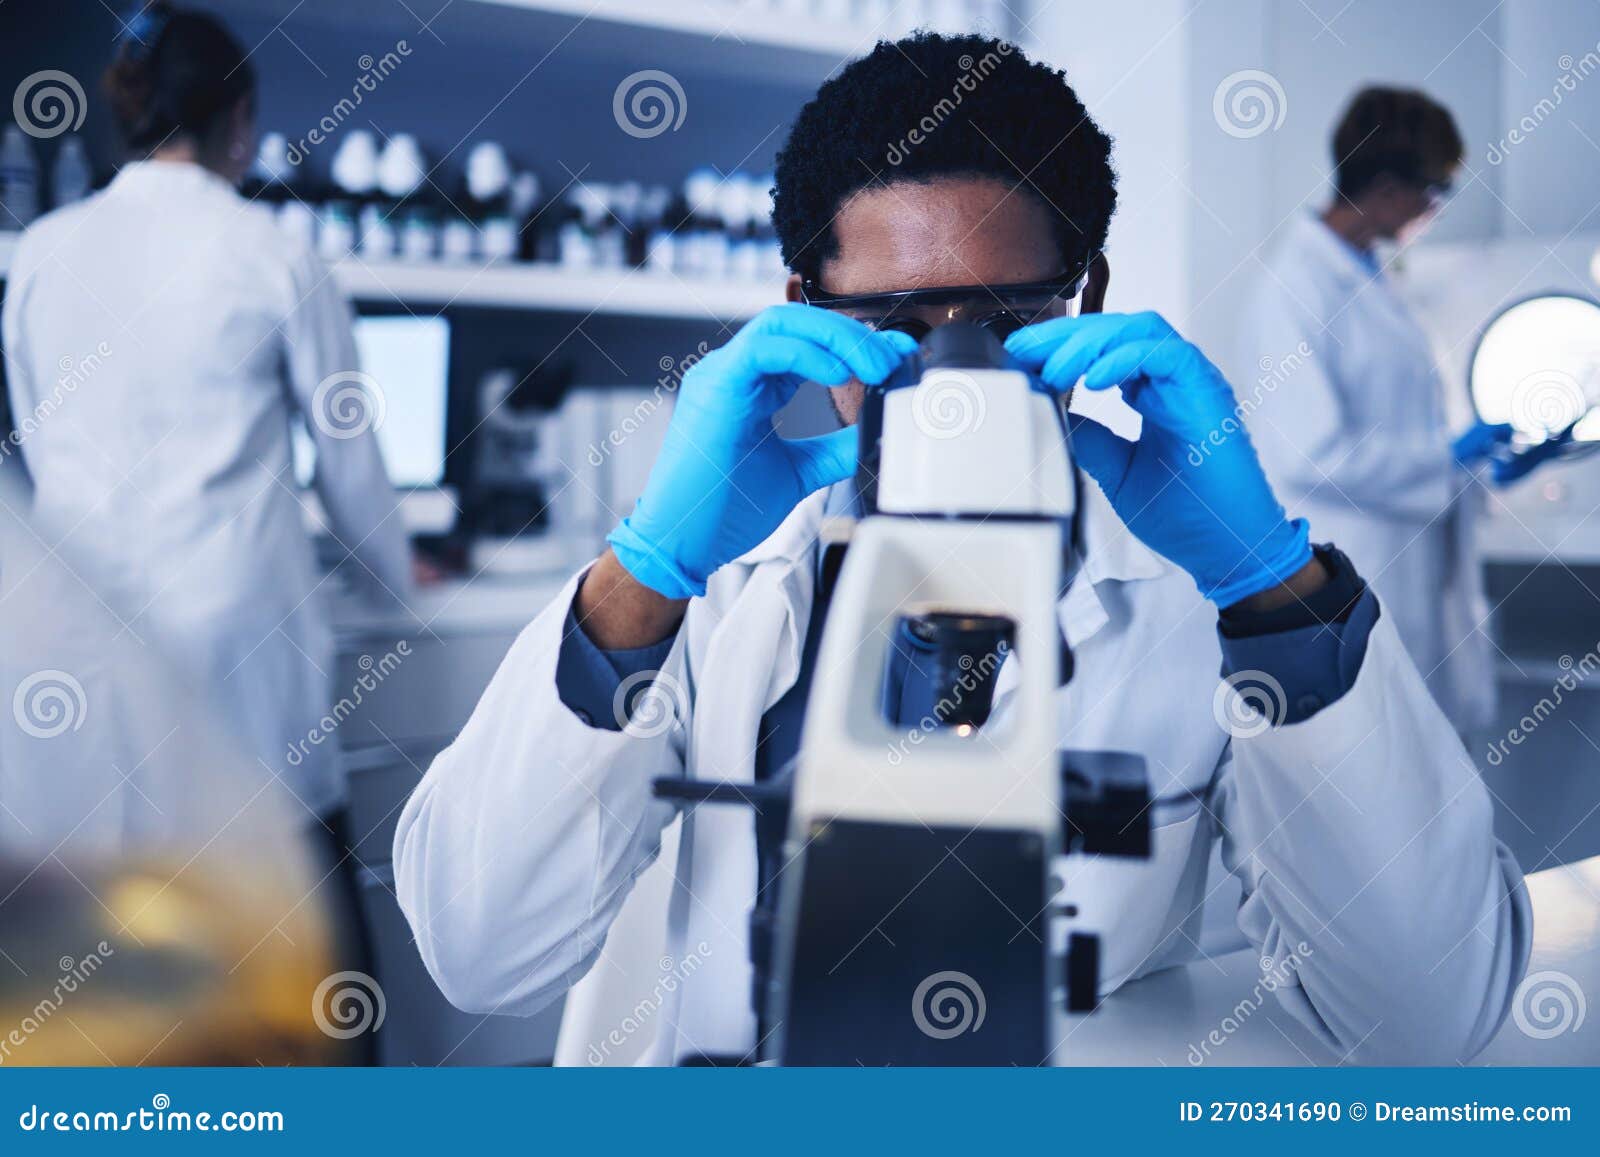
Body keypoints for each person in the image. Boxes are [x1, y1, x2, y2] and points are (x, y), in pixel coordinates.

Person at [394, 35, 1530, 1065]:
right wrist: (643, 571)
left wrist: (1270, 583)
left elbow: (1432, 1018)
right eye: (891, 332)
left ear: (1088, 297)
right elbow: (480, 953)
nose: (950, 380)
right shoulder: (726, 595)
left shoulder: (1192, 611)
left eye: (1006, 323)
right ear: (800, 309)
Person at [0, 4, 407, 1038]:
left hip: (79, 652)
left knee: (99, 961)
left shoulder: (43, 247)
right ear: (240, 119)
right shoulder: (272, 247)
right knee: (299, 950)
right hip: (241, 639)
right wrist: (391, 582)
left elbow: (43, 442)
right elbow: (348, 457)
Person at [1239, 86, 1561, 734]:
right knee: (1374, 781)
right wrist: (1447, 454)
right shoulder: (1293, 287)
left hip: (1415, 580)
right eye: (1435, 190)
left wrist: (1487, 472)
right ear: (1386, 187)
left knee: (1430, 781)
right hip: (1353, 578)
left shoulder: (1373, 276)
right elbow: (1312, 452)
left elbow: (1405, 441)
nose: (1437, 208)